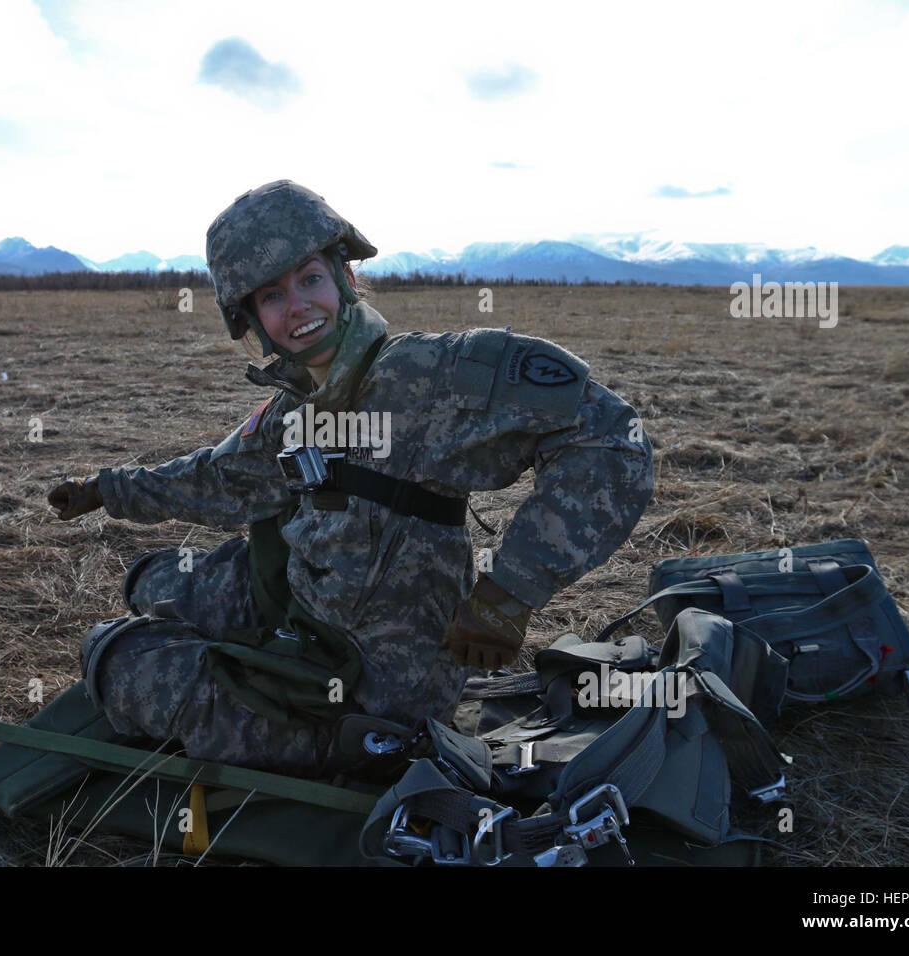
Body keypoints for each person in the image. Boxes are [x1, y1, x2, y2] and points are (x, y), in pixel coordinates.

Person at [48, 180, 653, 776]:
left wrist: (509, 592)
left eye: (309, 279)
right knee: (150, 580)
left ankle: (352, 747)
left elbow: (611, 439)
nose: (299, 307)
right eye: (272, 295)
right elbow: (220, 479)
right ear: (252, 319)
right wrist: (107, 490)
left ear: (344, 278)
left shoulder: (430, 375)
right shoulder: (295, 409)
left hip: (376, 689)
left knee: (111, 655)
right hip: (304, 604)